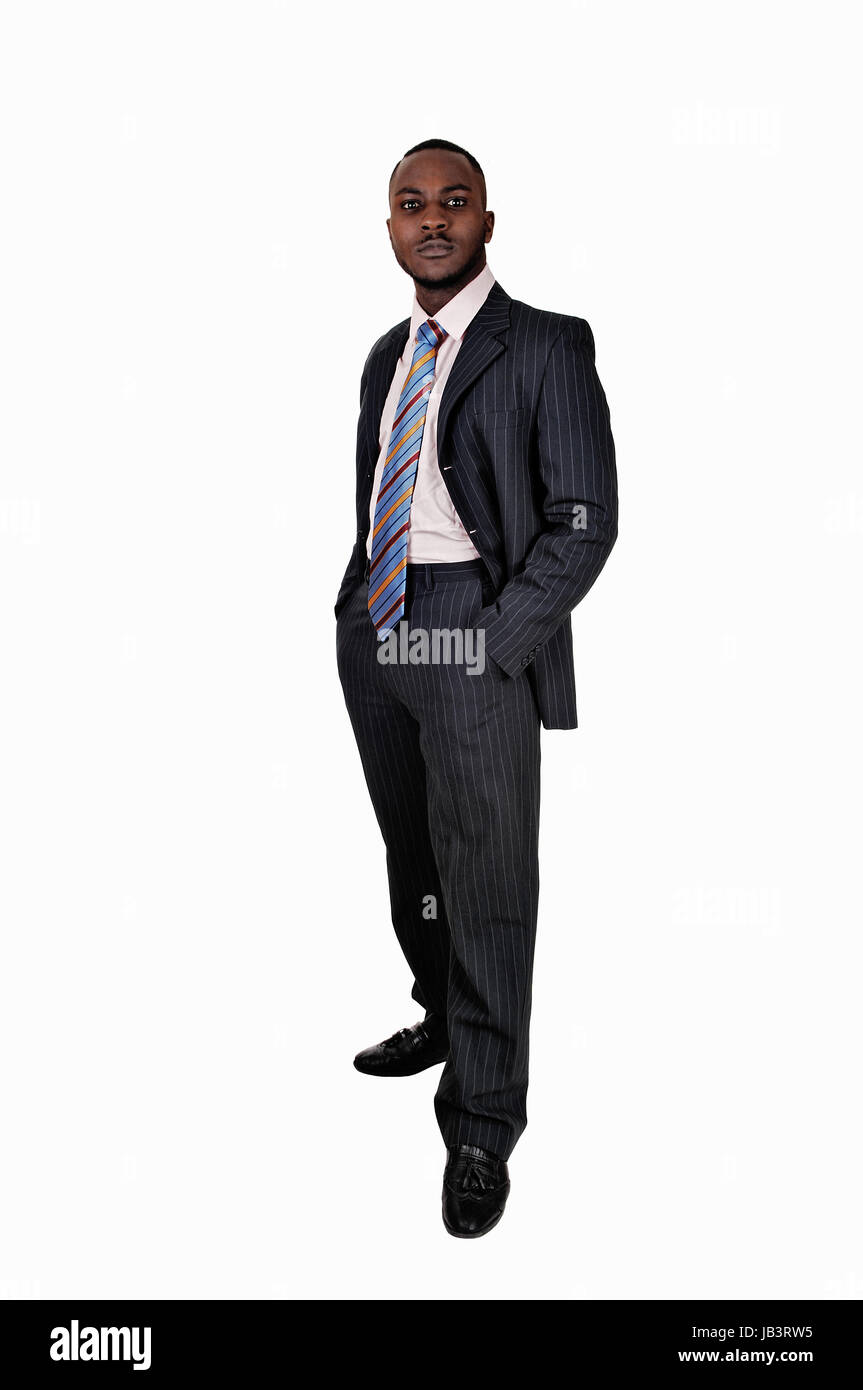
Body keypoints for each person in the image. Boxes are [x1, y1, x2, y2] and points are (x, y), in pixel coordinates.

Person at [334, 138, 618, 1237]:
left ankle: (485, 1121)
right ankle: (439, 1014)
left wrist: (495, 644)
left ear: (487, 222)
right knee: (414, 854)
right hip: (380, 629)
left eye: (455, 202)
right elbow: (377, 492)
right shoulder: (382, 356)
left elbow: (583, 520)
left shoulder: (544, 344)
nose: (433, 220)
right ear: (391, 227)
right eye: (411, 205)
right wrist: (357, 610)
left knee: (487, 877)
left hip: (470, 629)